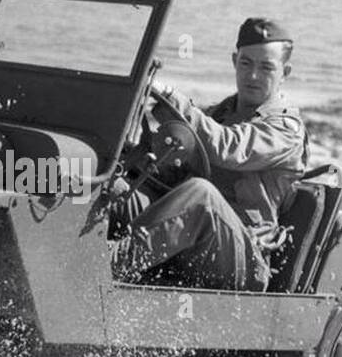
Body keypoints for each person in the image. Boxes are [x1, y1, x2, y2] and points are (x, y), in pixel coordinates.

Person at [111, 17, 308, 291]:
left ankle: (106, 266)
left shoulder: (286, 129)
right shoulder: (218, 115)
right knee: (117, 188)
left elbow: (228, 147)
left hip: (244, 257)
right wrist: (139, 157)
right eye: (245, 63)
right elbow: (177, 172)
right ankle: (56, 251)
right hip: (193, 241)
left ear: (285, 72)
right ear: (233, 61)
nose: (252, 76)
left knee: (201, 195)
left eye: (266, 67)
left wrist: (172, 96)